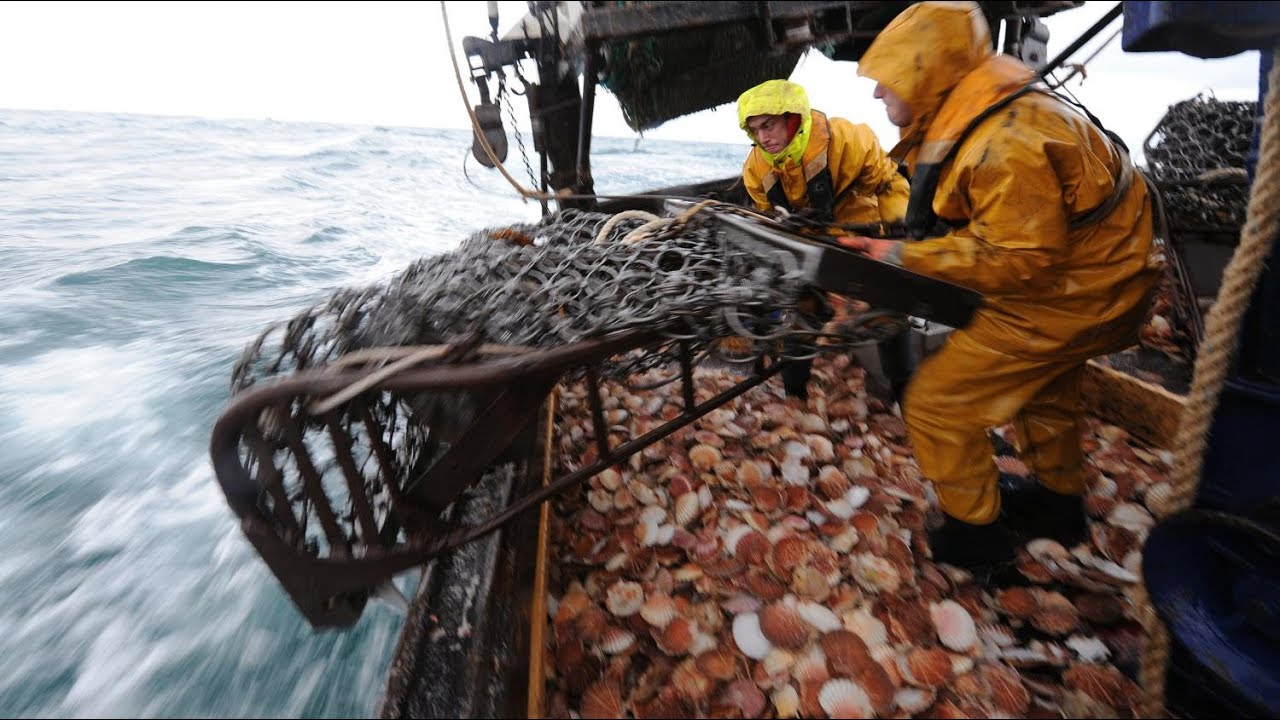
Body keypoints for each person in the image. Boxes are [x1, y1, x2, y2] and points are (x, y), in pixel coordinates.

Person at [840, 1, 1163, 575]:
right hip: (1103, 278)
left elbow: (1018, 260)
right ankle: (1058, 506)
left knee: (939, 403)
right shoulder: (1001, 112)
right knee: (1045, 388)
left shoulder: (1004, 142)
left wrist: (899, 254)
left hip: (1073, 294)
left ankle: (974, 539)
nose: (877, 96)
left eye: (888, 81)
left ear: (928, 73)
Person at [736, 79, 912, 404]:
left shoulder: (848, 138)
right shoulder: (755, 168)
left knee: (889, 312)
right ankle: (795, 396)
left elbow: (889, 184)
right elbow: (768, 221)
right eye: (755, 130)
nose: (763, 138)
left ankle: (903, 397)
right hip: (809, 248)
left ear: (793, 118)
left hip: (863, 239)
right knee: (796, 315)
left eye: (769, 125)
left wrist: (895, 241)